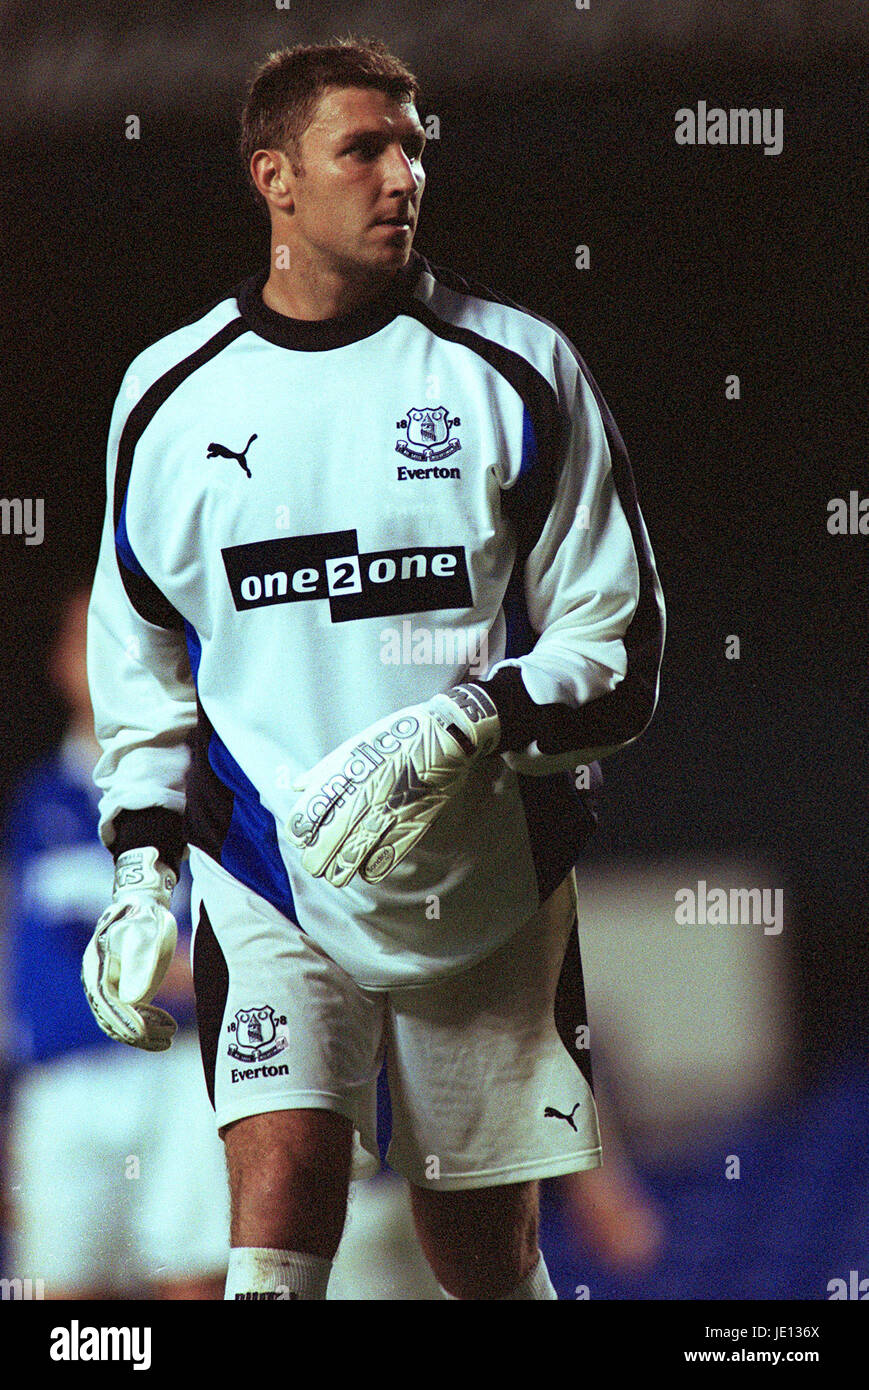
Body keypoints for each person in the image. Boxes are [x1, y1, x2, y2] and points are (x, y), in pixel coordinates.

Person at [83, 37, 665, 1301]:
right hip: (269, 873)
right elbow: (137, 664)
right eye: (365, 148)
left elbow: (616, 653)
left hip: (485, 879)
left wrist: (463, 722)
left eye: (414, 146)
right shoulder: (168, 396)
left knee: (484, 1259)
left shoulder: (515, 369)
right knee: (278, 1213)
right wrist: (140, 873)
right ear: (275, 176)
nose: (401, 174)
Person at [2, 586, 228, 1299]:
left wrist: (163, 977)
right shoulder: (33, 804)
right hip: (63, 1078)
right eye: (84, 643)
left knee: (193, 1274)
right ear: (59, 665)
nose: (102, 663)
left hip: (184, 1066)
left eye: (120, 643)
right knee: (61, 1287)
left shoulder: (212, 790)